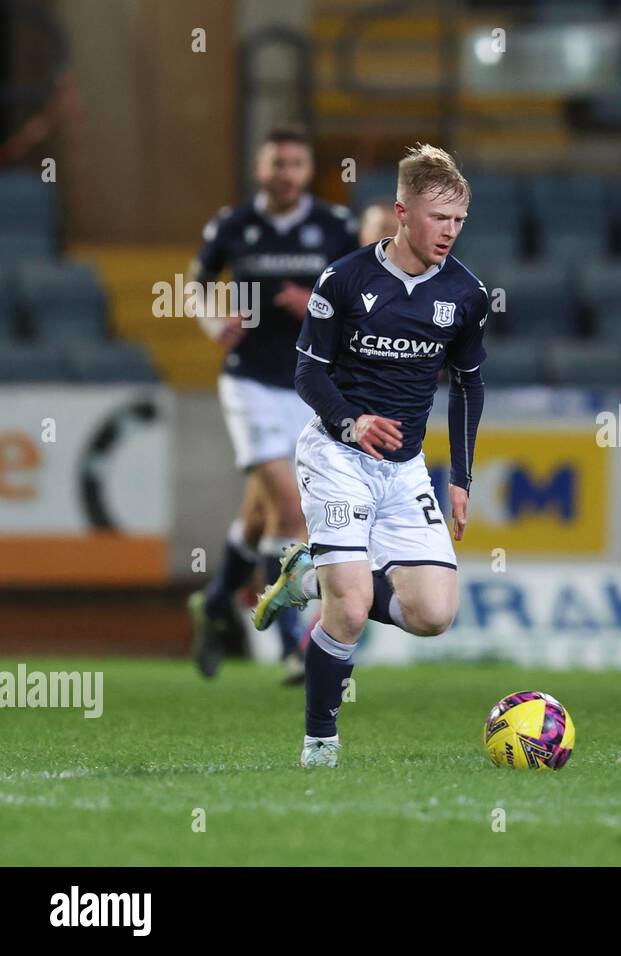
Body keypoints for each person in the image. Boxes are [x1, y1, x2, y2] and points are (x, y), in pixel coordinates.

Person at [253, 144, 489, 767]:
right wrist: (351, 423)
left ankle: (307, 576)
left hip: (404, 468)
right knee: (351, 609)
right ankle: (320, 746)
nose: (450, 233)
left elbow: (468, 383)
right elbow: (307, 372)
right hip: (335, 456)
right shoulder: (346, 279)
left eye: (459, 220)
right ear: (402, 213)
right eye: (439, 218)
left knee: (435, 614)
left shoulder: (466, 295)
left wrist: (460, 479)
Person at [187, 124, 358, 682]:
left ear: (309, 172)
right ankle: (291, 646)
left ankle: (213, 607)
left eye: (295, 163)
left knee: (260, 515)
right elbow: (196, 282)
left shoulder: (335, 227)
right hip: (250, 383)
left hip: (309, 389)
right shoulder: (233, 225)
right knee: (289, 506)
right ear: (260, 168)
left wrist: (317, 304)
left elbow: (362, 298)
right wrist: (214, 321)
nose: (284, 172)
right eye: (276, 162)